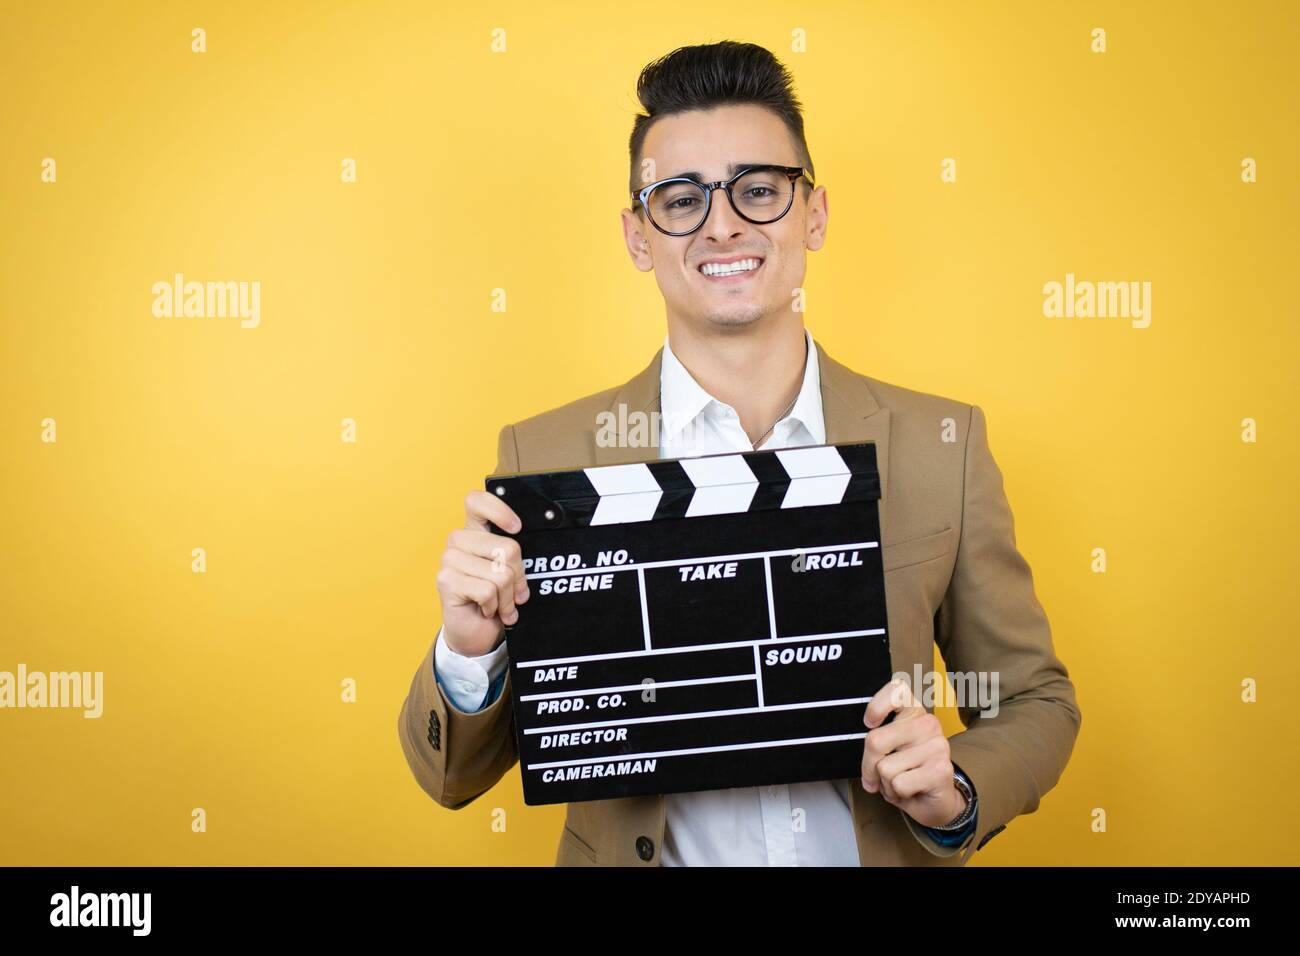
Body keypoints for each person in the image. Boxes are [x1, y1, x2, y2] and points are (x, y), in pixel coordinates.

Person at [397, 40, 1080, 866]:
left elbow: (1035, 698)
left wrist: (956, 786)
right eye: (680, 199)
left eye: (758, 190)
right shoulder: (549, 458)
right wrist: (472, 650)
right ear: (638, 236)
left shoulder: (944, 446)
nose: (723, 224)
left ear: (814, 214)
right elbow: (453, 778)